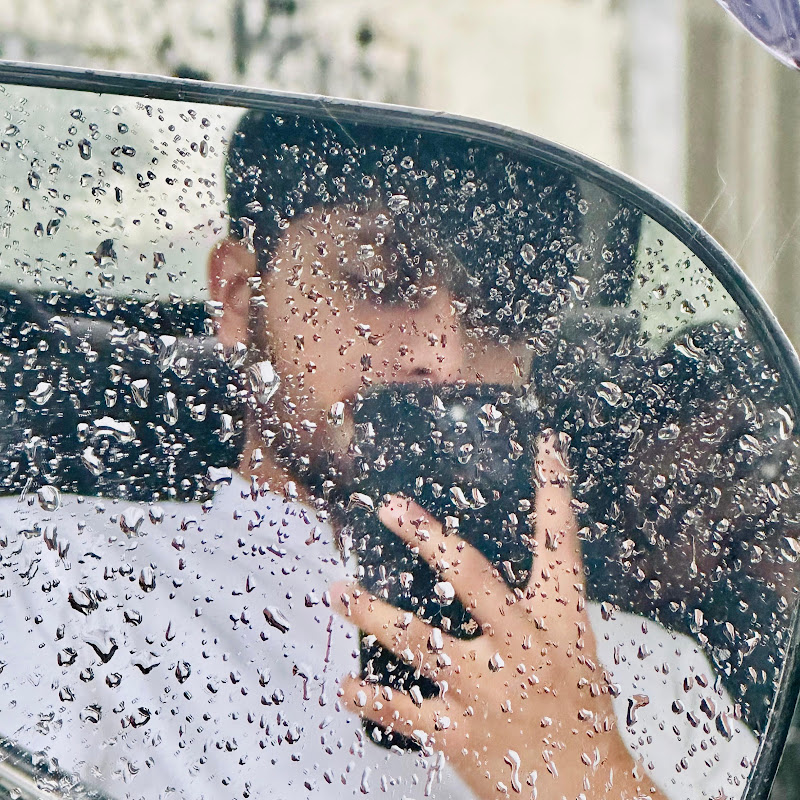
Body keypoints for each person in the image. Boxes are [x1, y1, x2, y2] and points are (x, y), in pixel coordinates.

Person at [0, 109, 771, 800]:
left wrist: (587, 778)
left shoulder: (653, 679)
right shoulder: (52, 584)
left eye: (499, 310)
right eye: (379, 279)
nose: (440, 354)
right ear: (239, 295)